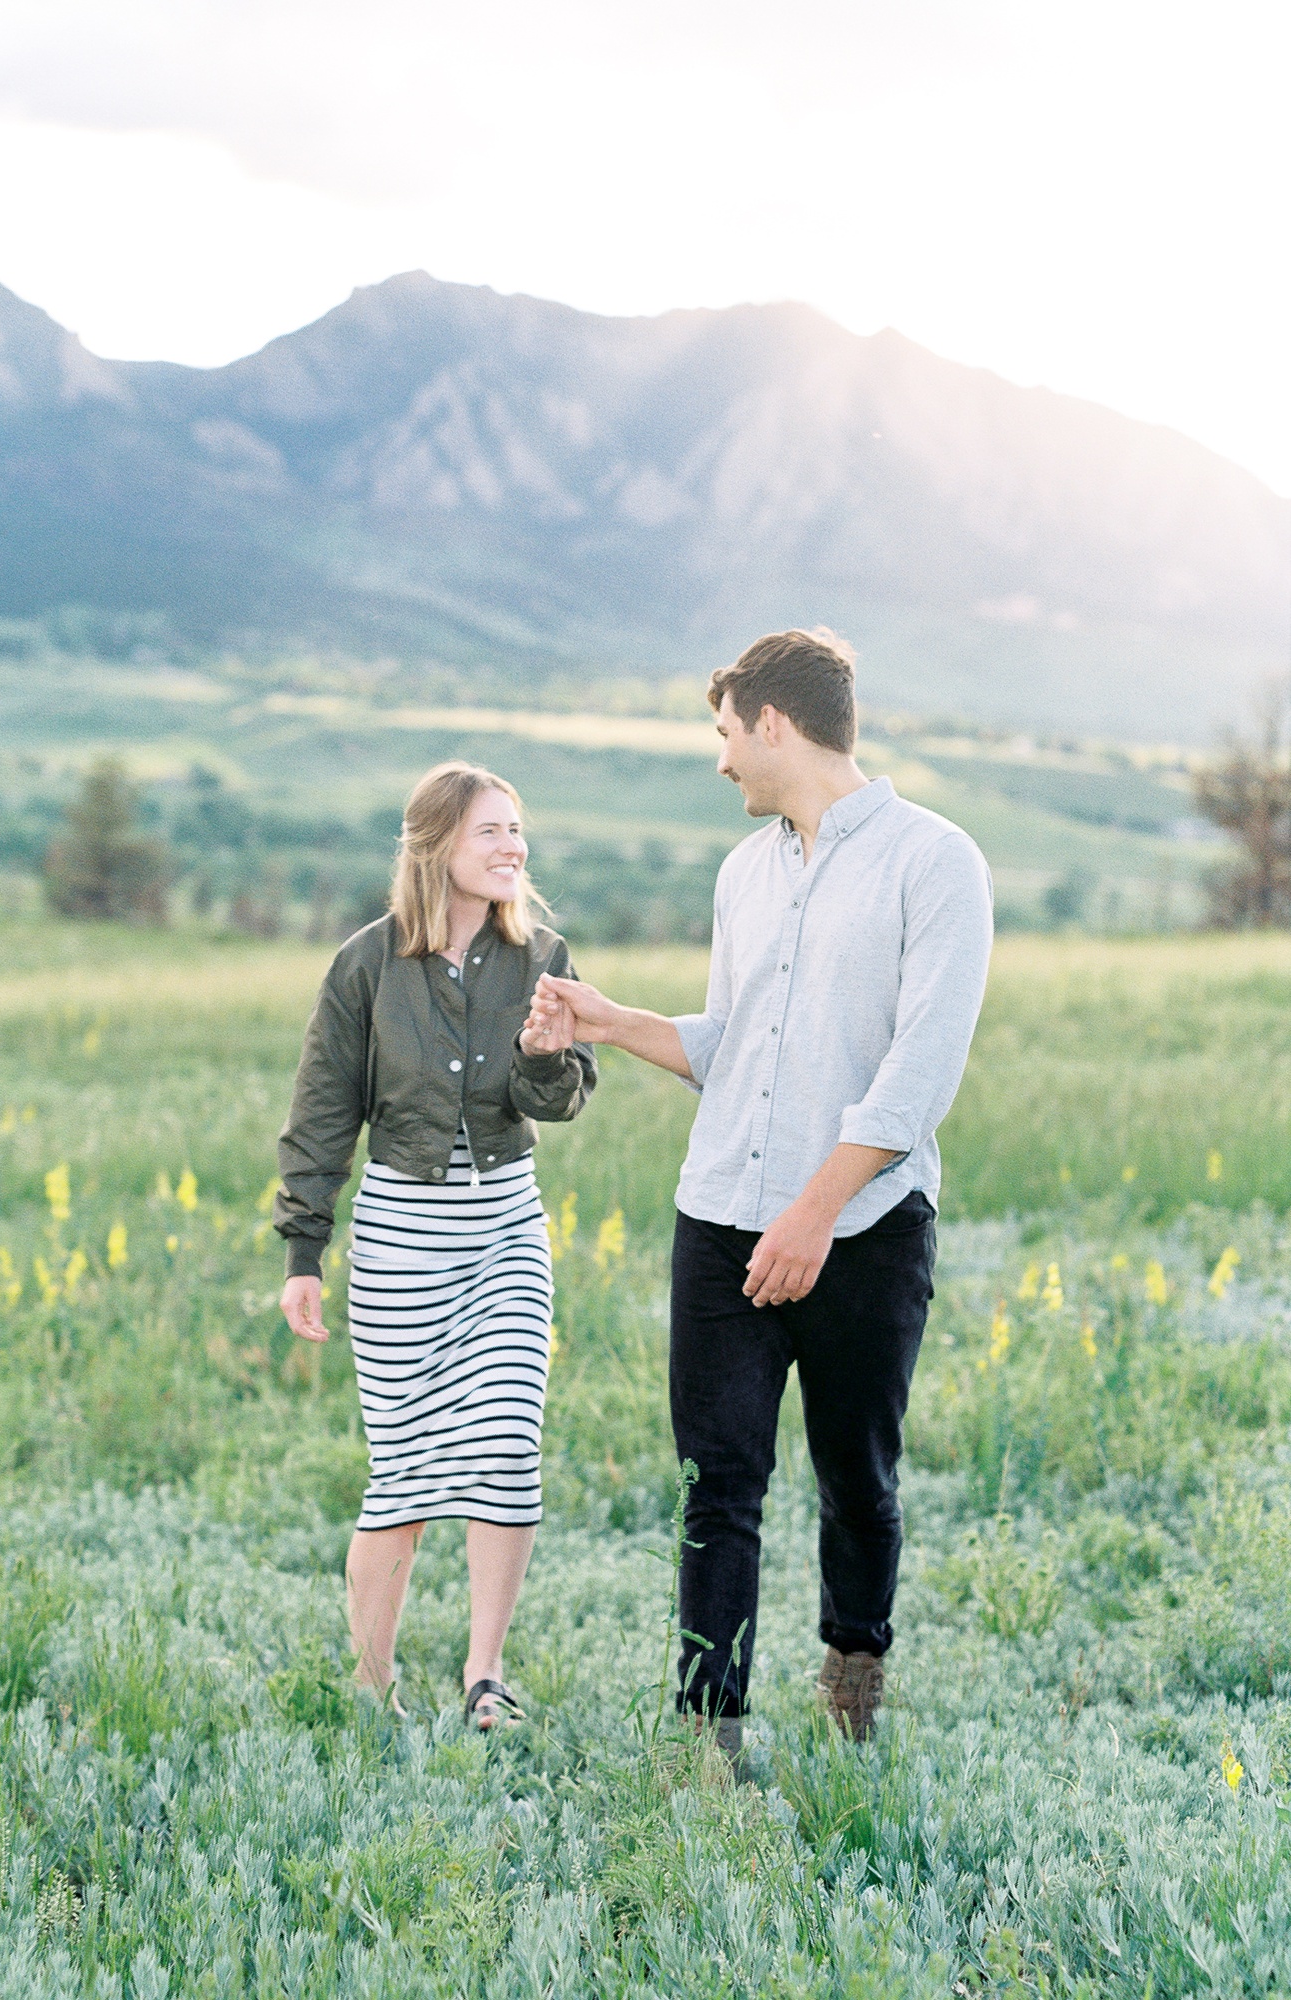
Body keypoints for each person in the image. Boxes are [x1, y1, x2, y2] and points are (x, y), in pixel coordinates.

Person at [526, 628, 992, 1760]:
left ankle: (852, 1680)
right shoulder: (743, 872)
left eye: (726, 732)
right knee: (716, 1485)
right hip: (721, 1224)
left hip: (864, 1236)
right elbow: (732, 1042)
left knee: (857, 1480)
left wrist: (815, 1210)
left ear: (774, 723)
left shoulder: (936, 862)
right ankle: (708, 1739)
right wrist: (609, 1017)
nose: (720, 758)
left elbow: (919, 1071)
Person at [275, 760, 595, 1728]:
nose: (513, 846)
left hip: (504, 1226)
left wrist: (543, 1057)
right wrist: (303, 1249)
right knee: (405, 1474)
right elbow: (324, 1108)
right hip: (403, 1239)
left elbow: (568, 1093)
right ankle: (374, 1686)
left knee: (506, 1445)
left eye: (517, 830)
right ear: (437, 845)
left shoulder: (544, 953)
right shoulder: (366, 965)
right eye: (492, 830)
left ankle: (484, 1675)